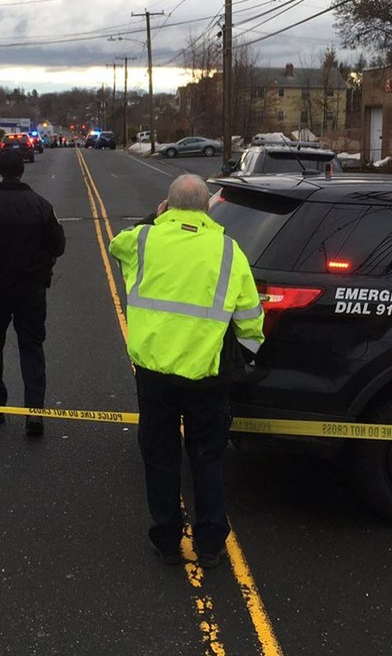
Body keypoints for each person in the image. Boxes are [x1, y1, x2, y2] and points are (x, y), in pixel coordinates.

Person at [108, 174, 264, 568]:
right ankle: (209, 545)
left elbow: (116, 244)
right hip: (207, 375)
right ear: (208, 207)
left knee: (160, 457)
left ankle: (166, 540)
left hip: (154, 374)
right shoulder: (228, 250)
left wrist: (156, 218)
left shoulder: (144, 240)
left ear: (167, 204)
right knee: (207, 458)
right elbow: (250, 317)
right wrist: (245, 357)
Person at [0, 148, 65, 437]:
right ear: (21, 171)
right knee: (31, 348)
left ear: (0, 170)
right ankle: (34, 412)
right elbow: (58, 245)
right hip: (31, 290)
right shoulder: (40, 206)